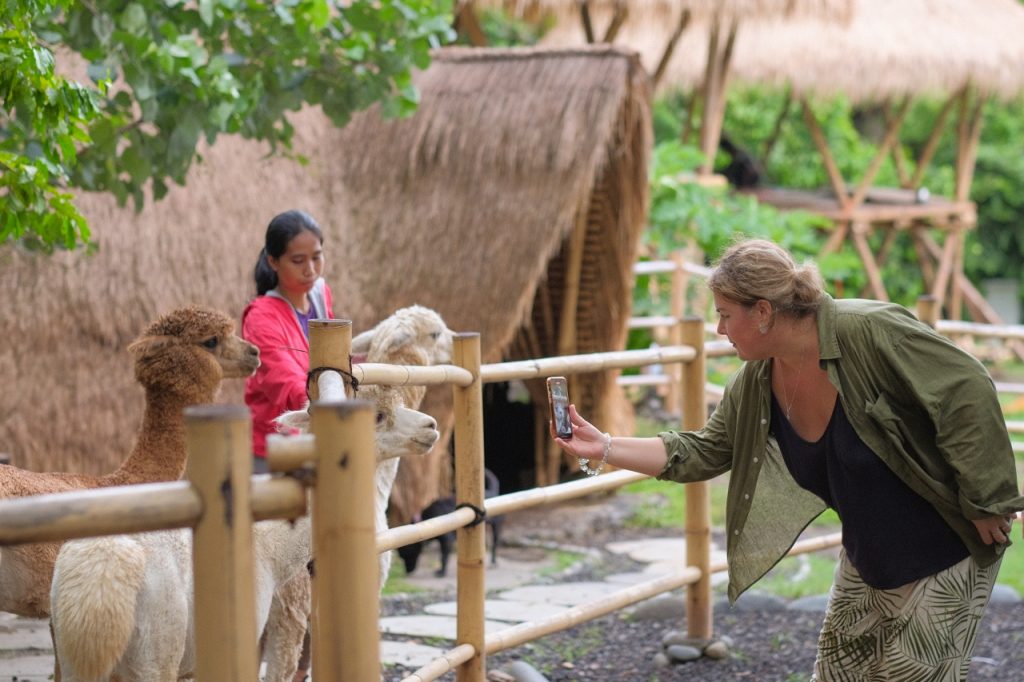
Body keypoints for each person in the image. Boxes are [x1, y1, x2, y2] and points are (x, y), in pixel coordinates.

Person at [553, 238, 1023, 680]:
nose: (719, 329)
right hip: (869, 557)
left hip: (944, 549)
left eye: (724, 315)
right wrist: (607, 447)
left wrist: (988, 499)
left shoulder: (868, 330)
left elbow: (967, 388)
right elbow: (703, 451)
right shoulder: (758, 381)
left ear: (762, 312)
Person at [243, 209, 333, 474]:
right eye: (298, 260)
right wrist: (328, 405)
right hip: (271, 447)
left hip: (313, 435)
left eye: (317, 257)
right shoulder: (261, 316)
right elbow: (283, 378)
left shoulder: (321, 295)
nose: (310, 270)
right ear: (273, 261)